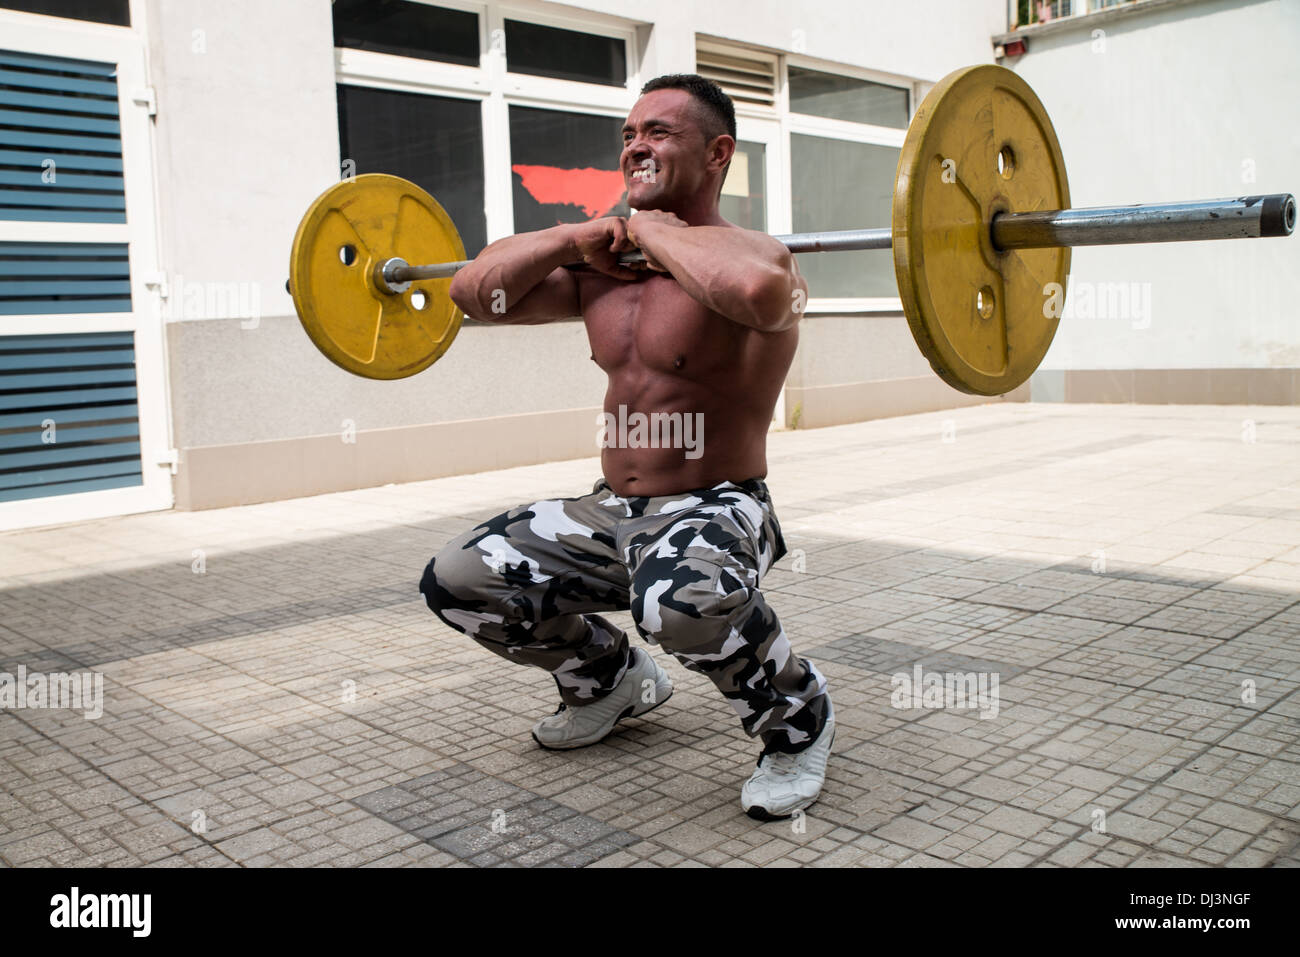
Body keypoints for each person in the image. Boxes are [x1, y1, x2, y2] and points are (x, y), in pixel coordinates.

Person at [419, 74, 833, 821]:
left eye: (659, 132)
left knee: (677, 606)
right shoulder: (603, 269)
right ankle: (609, 679)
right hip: (613, 510)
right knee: (457, 578)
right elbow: (474, 294)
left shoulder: (752, 253)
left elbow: (763, 298)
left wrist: (656, 231)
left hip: (716, 503)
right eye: (629, 134)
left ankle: (796, 715)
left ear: (718, 152)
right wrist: (571, 238)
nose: (636, 145)